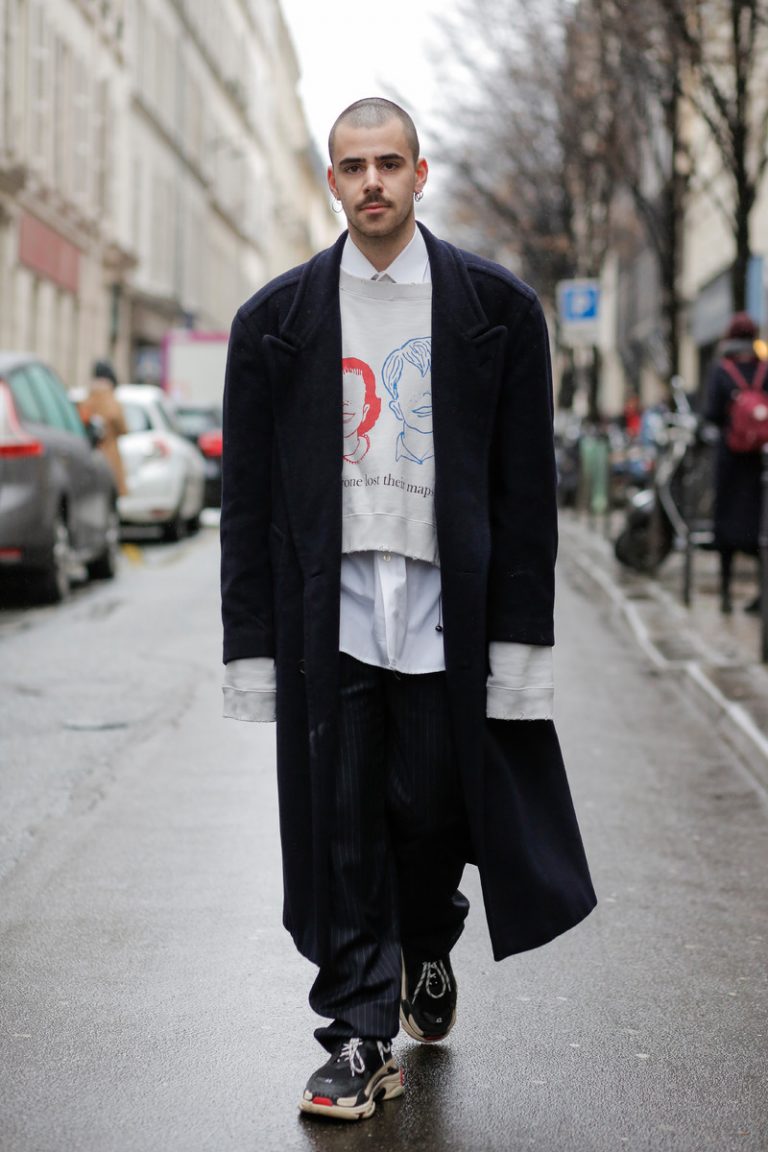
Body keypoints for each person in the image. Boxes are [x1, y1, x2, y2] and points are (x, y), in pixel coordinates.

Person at [220, 97, 596, 1122]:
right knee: (342, 820)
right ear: (331, 180)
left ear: (421, 174)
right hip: (329, 613)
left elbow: (528, 501)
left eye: (390, 163)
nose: (372, 182)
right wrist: (251, 648)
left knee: (432, 813)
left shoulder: (498, 311)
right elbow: (245, 505)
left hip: (446, 616)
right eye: (353, 166)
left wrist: (523, 643)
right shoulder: (274, 324)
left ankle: (426, 940)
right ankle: (356, 1032)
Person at [705, 312, 768, 614]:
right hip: (760, 462)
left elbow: (711, 414)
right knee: (760, 525)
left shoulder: (721, 371)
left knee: (727, 524)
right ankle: (762, 592)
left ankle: (726, 593)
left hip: (729, 460)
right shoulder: (764, 369)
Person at [79, 360, 128, 497]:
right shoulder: (112, 400)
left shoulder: (86, 399)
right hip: (110, 455)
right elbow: (123, 428)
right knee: (111, 498)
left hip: (89, 456)